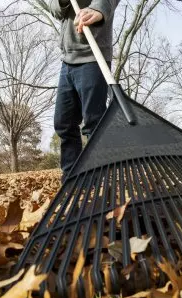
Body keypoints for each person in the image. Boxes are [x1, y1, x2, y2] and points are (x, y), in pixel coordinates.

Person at [49, 0, 119, 181]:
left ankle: (100, 179)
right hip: (67, 59)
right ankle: (71, 178)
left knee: (94, 123)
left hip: (92, 55)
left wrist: (98, 9)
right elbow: (56, 11)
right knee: (64, 123)